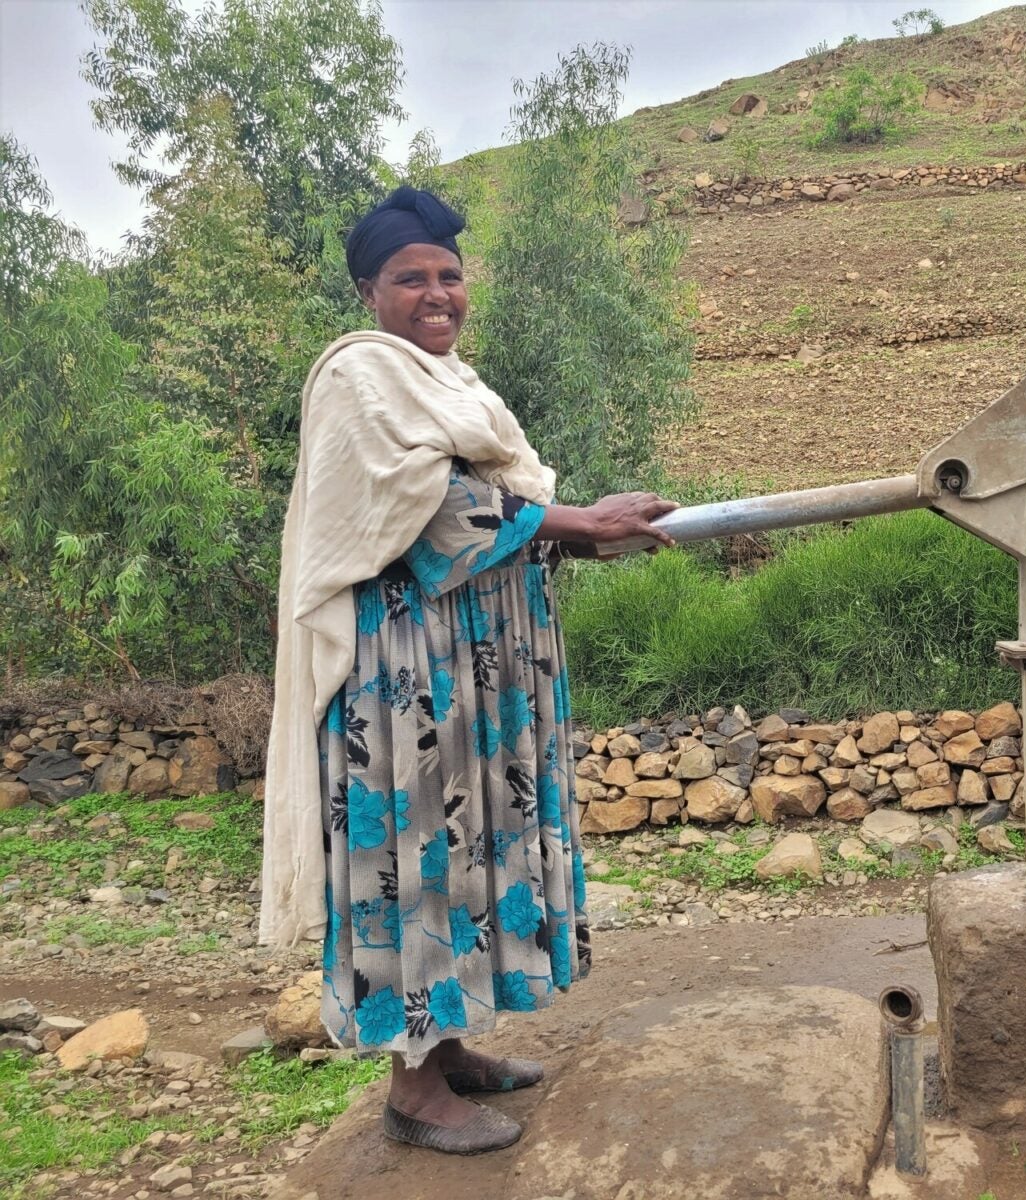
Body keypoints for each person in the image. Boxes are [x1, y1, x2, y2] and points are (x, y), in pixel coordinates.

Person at [259, 186, 677, 1153]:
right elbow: (430, 508)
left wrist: (578, 529)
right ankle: (412, 1087)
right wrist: (578, 522)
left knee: (475, 843)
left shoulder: (453, 382)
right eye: (412, 278)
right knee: (415, 857)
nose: (436, 293)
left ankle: (447, 1047)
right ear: (371, 289)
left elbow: (502, 502)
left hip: (477, 669)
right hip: (402, 679)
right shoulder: (359, 378)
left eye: (449, 275)